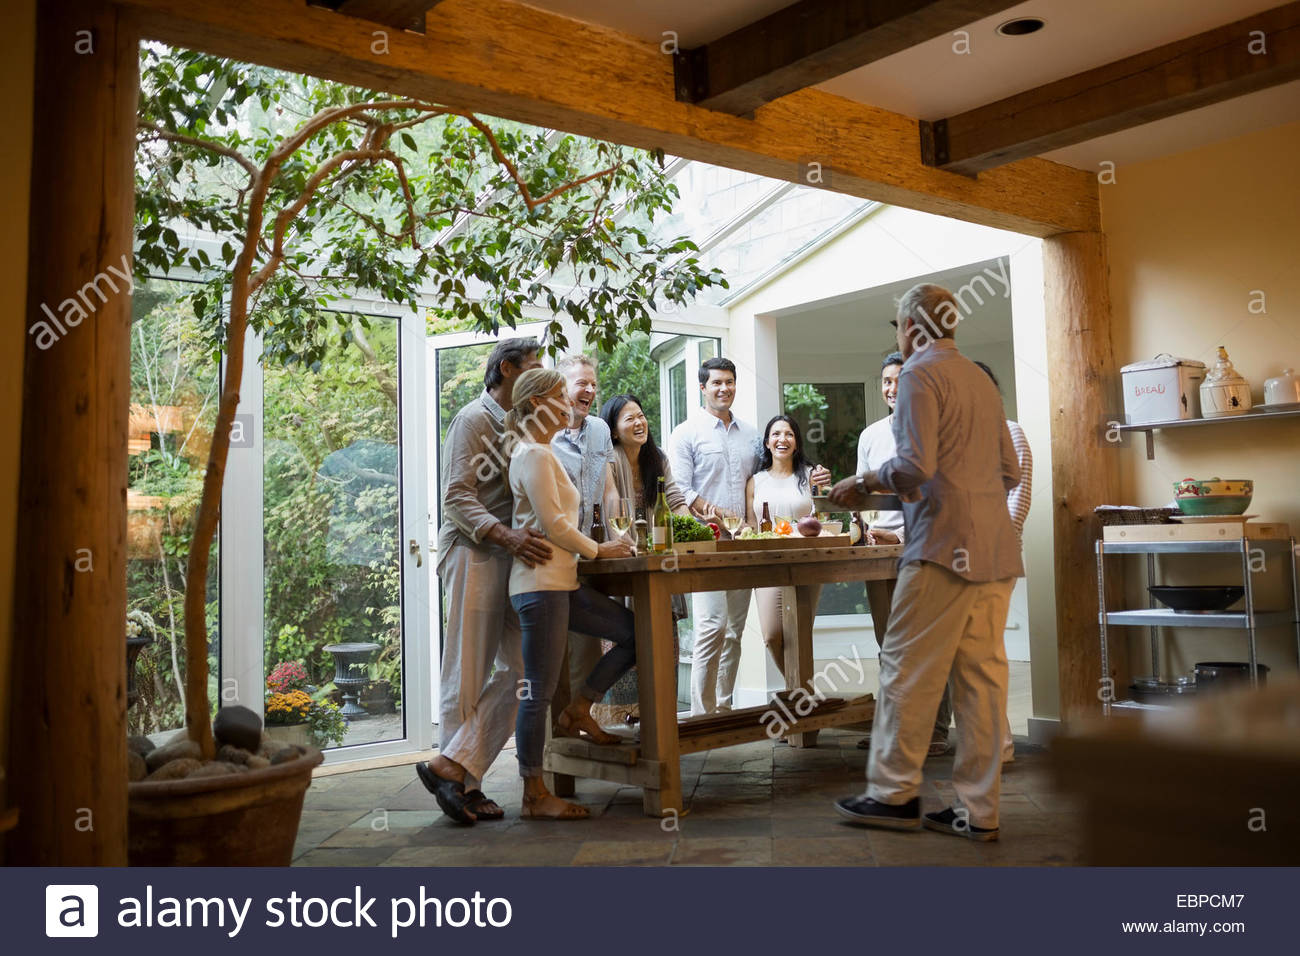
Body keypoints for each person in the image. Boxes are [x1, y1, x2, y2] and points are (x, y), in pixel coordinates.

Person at [829, 283, 1023, 842]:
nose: (898, 337)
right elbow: (1008, 470)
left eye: (897, 327)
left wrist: (863, 482)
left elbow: (913, 464)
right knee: (981, 682)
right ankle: (977, 811)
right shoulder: (982, 380)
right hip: (994, 550)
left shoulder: (918, 373)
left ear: (911, 328)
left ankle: (893, 795)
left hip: (942, 550)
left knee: (905, 668)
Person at [416, 337, 550, 825]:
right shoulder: (474, 420)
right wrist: (507, 537)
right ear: (508, 369)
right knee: (466, 674)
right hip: (473, 553)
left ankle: (452, 766)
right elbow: (455, 495)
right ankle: (465, 790)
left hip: (513, 560)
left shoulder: (524, 424)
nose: (540, 375)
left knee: (523, 672)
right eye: (534, 367)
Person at [506, 368, 637, 820]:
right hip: (541, 588)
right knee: (537, 693)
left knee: (634, 633)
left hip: (562, 583)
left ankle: (580, 708)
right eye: (561, 396)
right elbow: (556, 525)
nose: (569, 404)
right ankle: (534, 794)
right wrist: (600, 549)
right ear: (539, 403)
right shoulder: (535, 455)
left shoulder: (538, 452)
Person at [856, 351, 951, 758]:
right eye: (887, 381)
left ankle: (935, 731)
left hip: (924, 551)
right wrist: (864, 533)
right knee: (889, 644)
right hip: (878, 551)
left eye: (900, 380)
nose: (892, 388)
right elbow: (863, 495)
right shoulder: (870, 435)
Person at [668, 357, 761, 716]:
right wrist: (720, 514)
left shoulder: (751, 434)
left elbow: (762, 481)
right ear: (703, 388)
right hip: (705, 545)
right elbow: (680, 489)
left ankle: (724, 709)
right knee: (712, 626)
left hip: (743, 545)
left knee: (735, 632)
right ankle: (701, 714)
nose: (725, 388)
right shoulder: (685, 433)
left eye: (730, 382)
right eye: (717, 382)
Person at [598, 393, 691, 722]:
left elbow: (676, 500)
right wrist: (625, 543)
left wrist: (695, 527)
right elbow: (611, 508)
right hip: (625, 562)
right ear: (613, 429)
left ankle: (660, 714)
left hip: (658, 559)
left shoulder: (657, 458)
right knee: (627, 635)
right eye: (629, 418)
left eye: (641, 415)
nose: (639, 423)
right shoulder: (608, 459)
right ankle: (624, 716)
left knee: (663, 634)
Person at [550, 355, 618, 708]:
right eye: (582, 383)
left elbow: (608, 489)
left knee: (588, 648)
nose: (590, 390)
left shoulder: (600, 430)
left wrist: (618, 533)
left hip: (592, 554)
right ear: (562, 388)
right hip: (554, 556)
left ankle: (577, 718)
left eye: (593, 383)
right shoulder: (546, 437)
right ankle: (557, 736)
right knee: (554, 653)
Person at [974, 359, 1033, 764]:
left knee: (985, 651)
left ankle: (999, 749)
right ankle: (994, 746)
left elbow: (1020, 499)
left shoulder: (1010, 431)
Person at [744, 414, 828, 675]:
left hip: (806, 562)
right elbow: (750, 524)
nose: (783, 439)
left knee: (800, 634)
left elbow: (824, 517)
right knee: (771, 634)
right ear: (767, 443)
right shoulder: (755, 481)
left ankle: (800, 698)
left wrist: (825, 486)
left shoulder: (811, 476)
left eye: (789, 434)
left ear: (797, 442)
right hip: (766, 563)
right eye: (776, 434)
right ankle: (803, 692)